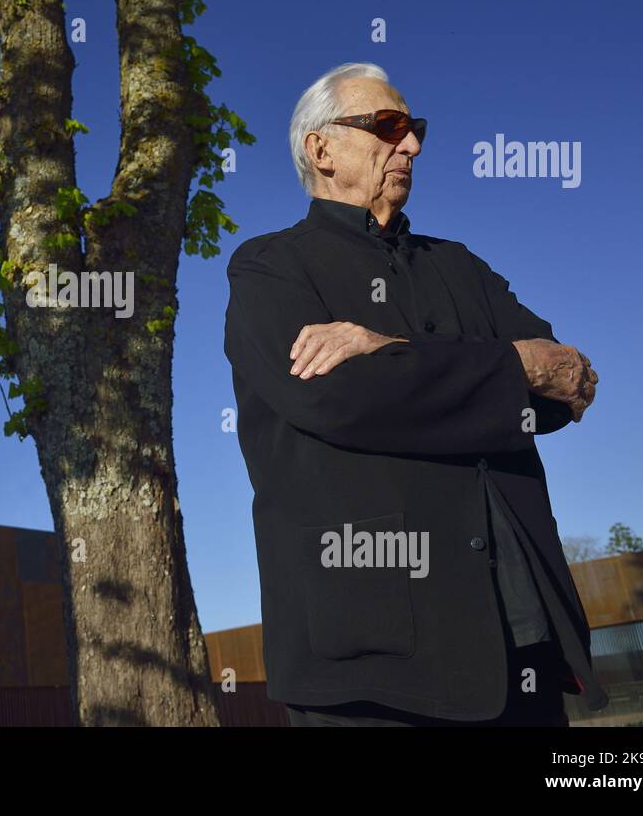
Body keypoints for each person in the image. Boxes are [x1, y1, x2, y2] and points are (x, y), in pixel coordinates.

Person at [223, 62, 608, 725]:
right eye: (389, 126)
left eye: (416, 129)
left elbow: (569, 380)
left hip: (522, 636)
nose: (413, 146)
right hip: (373, 664)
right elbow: (341, 398)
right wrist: (505, 372)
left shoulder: (460, 265)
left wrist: (386, 348)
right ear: (320, 148)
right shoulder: (268, 268)